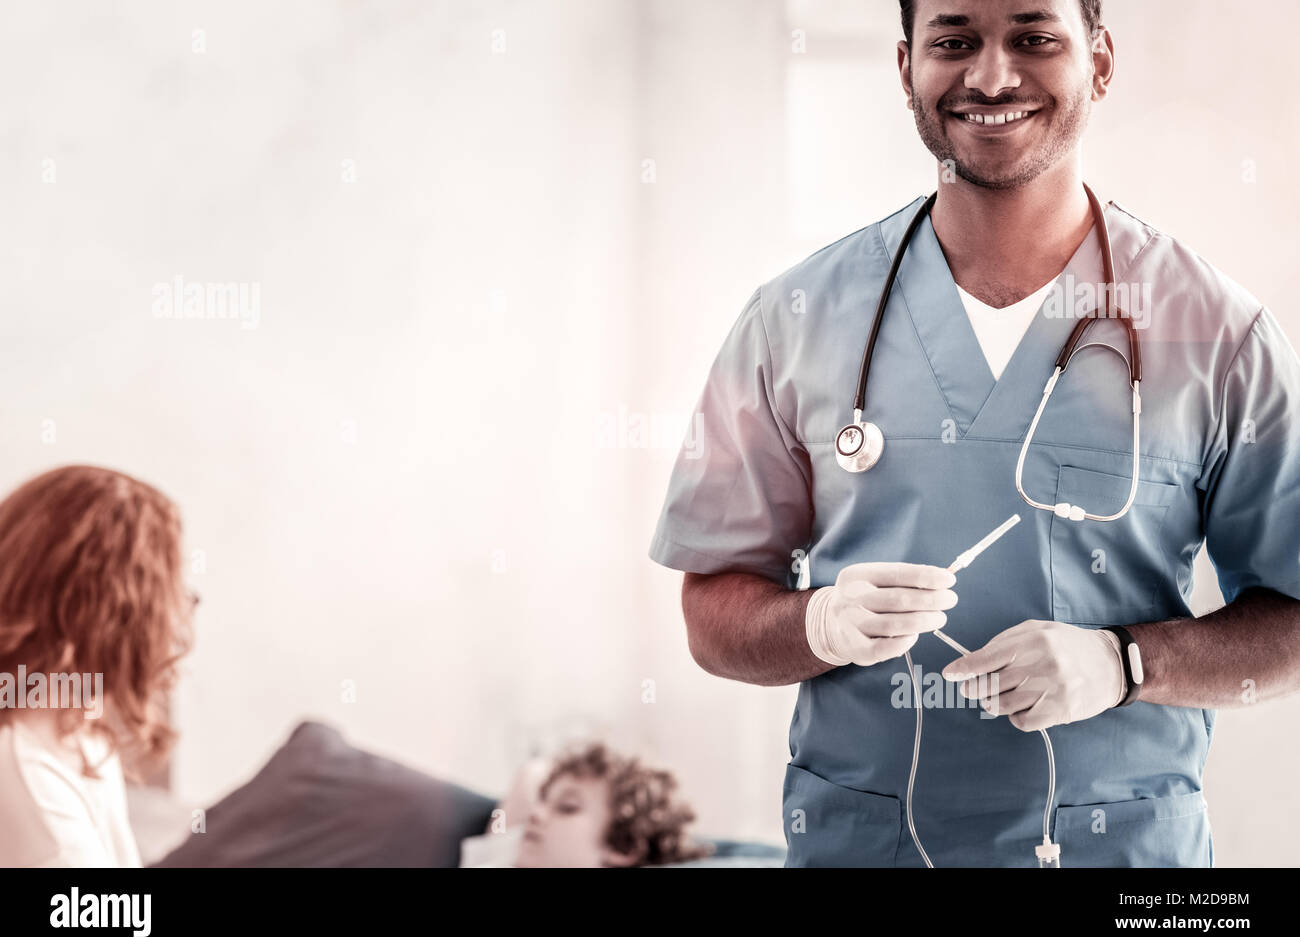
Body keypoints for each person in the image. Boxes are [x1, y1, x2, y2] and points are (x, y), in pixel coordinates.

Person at [649, 0, 1300, 867]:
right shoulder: (792, 321)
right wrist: (821, 623)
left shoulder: (1219, 334)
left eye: (1034, 38)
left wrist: (1125, 664)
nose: (991, 77)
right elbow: (711, 613)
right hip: (863, 846)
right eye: (954, 42)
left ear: (1100, 62)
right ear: (905, 68)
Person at [0, 465, 195, 867]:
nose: (183, 607)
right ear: (115, 613)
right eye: (169, 591)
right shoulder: (40, 802)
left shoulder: (77, 726)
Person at [459, 742, 711, 867]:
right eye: (542, 802)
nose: (535, 814)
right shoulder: (504, 856)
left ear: (621, 847)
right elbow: (531, 773)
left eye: (568, 807)